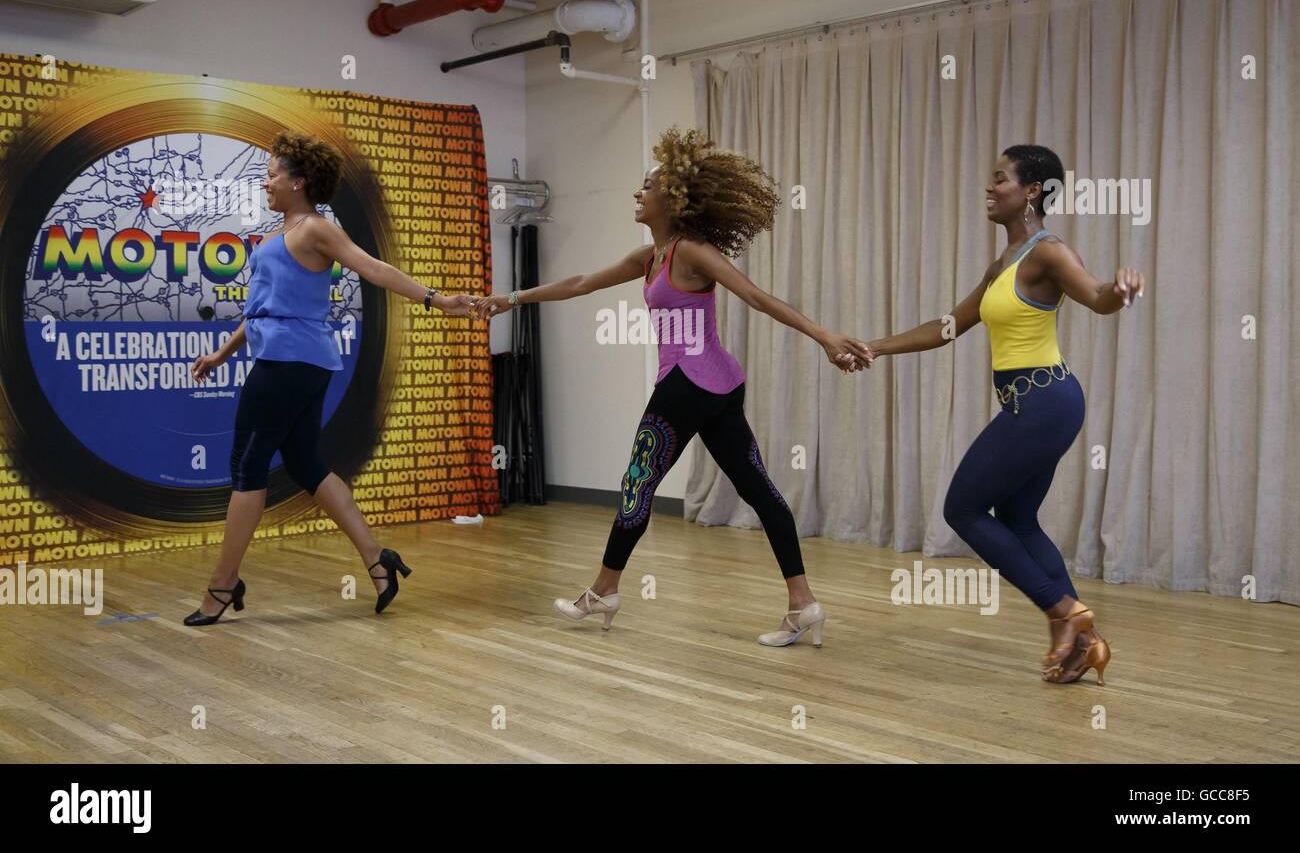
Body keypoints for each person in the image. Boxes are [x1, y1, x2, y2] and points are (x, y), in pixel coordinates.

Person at [474, 127, 872, 646]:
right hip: (718, 387)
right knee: (759, 491)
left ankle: (603, 591)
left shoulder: (691, 251)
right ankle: (803, 605)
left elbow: (755, 297)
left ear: (674, 197)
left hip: (685, 388)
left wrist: (823, 335)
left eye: (647, 186)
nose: (637, 194)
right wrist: (513, 297)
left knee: (637, 486)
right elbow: (579, 283)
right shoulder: (651, 257)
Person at [856, 145, 1144, 684]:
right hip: (1035, 404)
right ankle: (1086, 643)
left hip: (1045, 400)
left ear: (1032, 191)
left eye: (1000, 179)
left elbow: (1097, 295)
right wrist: (874, 346)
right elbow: (947, 327)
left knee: (962, 508)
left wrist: (1118, 292)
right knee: (1017, 519)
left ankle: (1062, 612)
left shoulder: (1048, 253)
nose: (990, 188)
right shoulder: (1003, 264)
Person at [184, 131, 475, 625]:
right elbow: (259, 312)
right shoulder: (277, 236)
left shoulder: (316, 229)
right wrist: (221, 352)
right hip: (296, 361)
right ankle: (377, 560)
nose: (266, 180)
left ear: (298, 182)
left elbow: (374, 269)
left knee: (246, 466)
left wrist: (437, 299)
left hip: (289, 365)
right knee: (304, 462)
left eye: (273, 173)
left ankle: (222, 584)